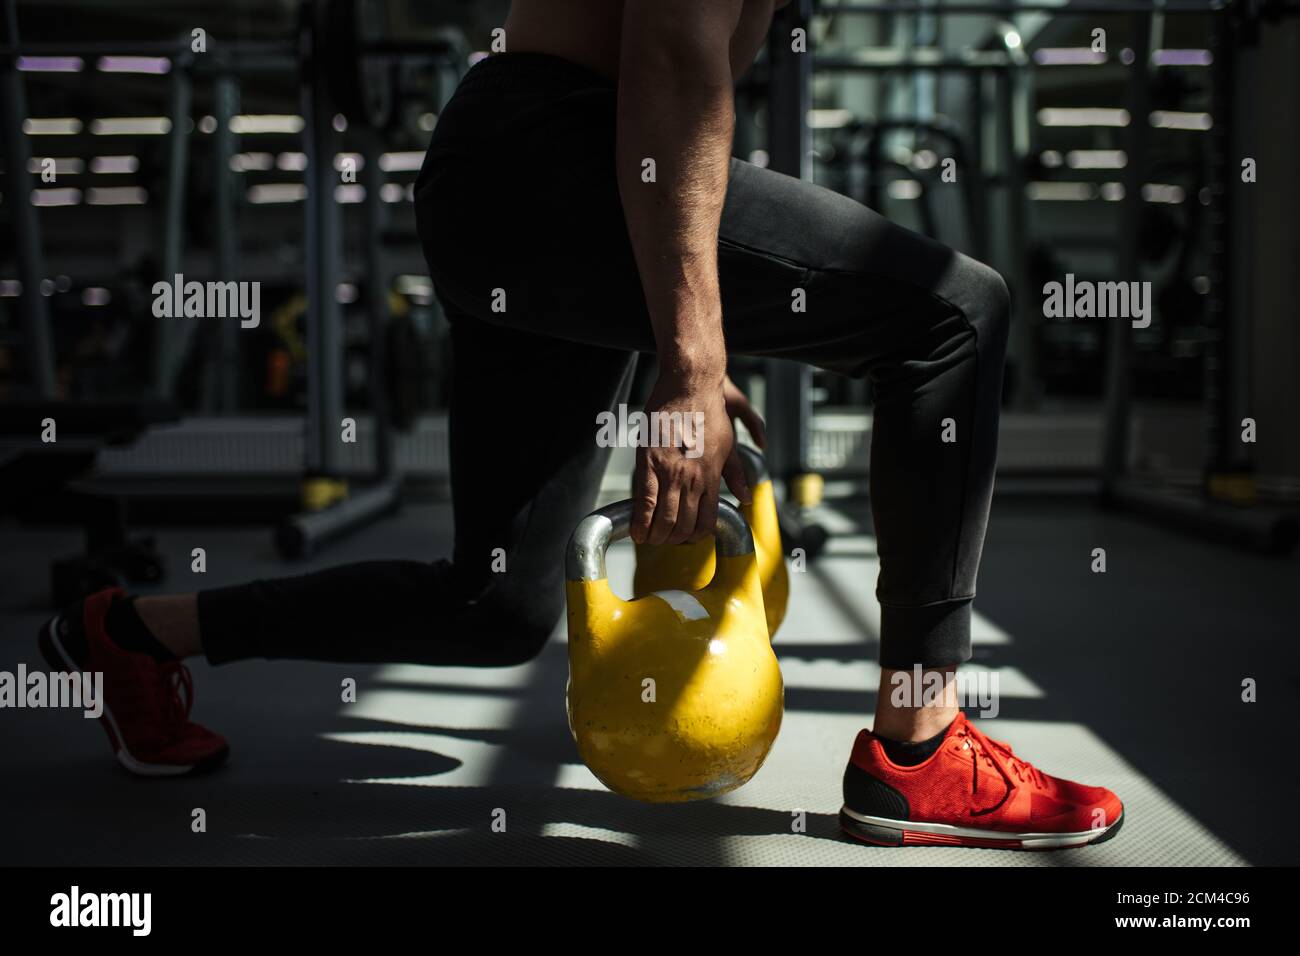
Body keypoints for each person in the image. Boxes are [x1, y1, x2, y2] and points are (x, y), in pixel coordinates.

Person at [40, 0, 1122, 848]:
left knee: (496, 604)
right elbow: (668, 58)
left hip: (522, 184)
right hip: (563, 160)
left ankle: (133, 629)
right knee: (952, 308)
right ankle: (919, 747)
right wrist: (692, 362)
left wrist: (670, 335)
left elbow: (686, 85)